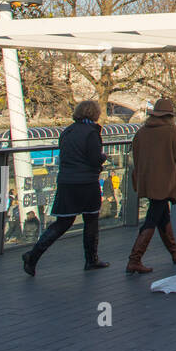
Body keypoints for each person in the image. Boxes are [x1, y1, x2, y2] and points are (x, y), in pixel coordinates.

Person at [20, 101, 111, 276]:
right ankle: (91, 259)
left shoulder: (68, 131)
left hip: (66, 181)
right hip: (86, 182)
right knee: (91, 220)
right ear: (94, 114)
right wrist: (103, 157)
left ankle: (34, 255)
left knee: (63, 222)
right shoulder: (92, 133)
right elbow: (94, 159)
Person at [127, 97, 176, 275]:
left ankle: (174, 251)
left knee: (162, 215)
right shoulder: (172, 132)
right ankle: (135, 259)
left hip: (146, 180)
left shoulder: (141, 132)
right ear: (170, 116)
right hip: (165, 180)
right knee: (152, 218)